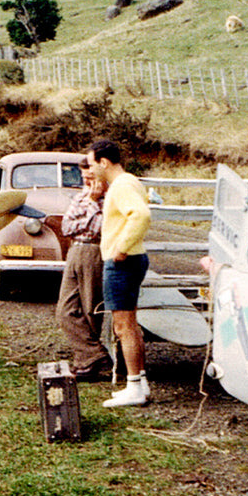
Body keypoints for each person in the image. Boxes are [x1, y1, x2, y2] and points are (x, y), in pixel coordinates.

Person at [86, 139, 152, 407]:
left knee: (122, 326)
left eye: (92, 164)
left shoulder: (123, 185)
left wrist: (121, 248)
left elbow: (141, 215)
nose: (90, 170)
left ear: (104, 162)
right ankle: (141, 382)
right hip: (132, 259)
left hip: (124, 262)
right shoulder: (128, 182)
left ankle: (134, 386)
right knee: (130, 324)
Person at [56, 158, 112, 381]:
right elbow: (66, 227)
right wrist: (91, 206)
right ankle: (96, 354)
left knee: (90, 308)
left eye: (91, 177)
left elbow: (100, 228)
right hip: (75, 251)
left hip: (95, 252)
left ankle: (86, 364)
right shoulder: (83, 195)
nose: (87, 181)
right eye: (84, 178)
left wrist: (90, 206)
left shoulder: (109, 197)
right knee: (65, 310)